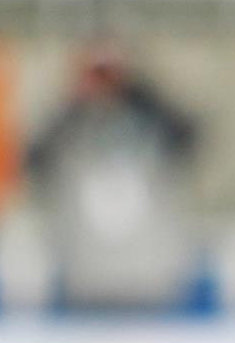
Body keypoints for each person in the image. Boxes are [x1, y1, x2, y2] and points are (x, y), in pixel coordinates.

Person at [26, 37, 201, 310]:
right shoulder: (72, 126)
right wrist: (73, 103)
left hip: (150, 280)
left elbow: (188, 140)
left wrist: (140, 93)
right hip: (87, 281)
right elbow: (33, 161)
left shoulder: (150, 122)